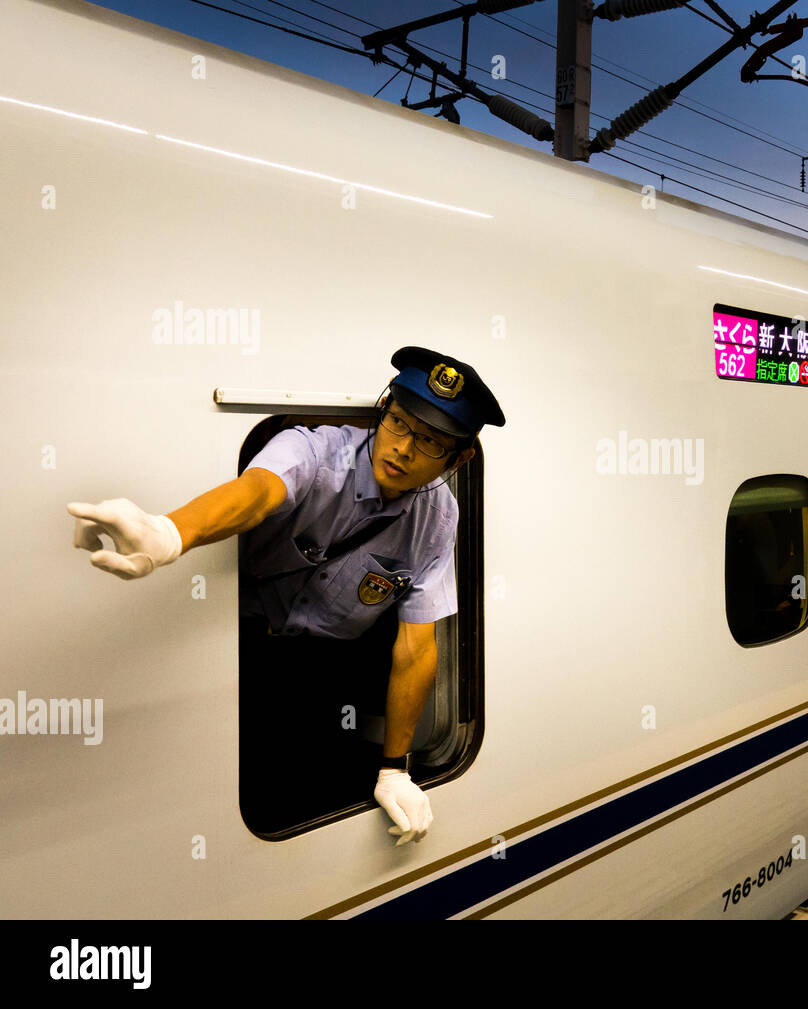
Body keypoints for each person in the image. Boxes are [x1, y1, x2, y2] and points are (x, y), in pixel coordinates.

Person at [66, 347, 505, 845]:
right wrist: (170, 532)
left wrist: (395, 768)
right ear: (384, 411)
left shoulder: (438, 518)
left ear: (461, 457)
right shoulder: (315, 453)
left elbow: (416, 648)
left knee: (322, 798)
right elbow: (257, 492)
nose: (403, 448)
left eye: (430, 442)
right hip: (239, 653)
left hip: (329, 674)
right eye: (400, 423)